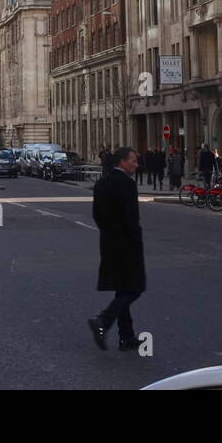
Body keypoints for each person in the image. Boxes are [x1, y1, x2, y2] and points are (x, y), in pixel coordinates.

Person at [87, 147, 145, 353]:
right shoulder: (127, 184)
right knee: (135, 287)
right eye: (133, 161)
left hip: (108, 241)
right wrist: (136, 240)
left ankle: (126, 336)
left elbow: (96, 214)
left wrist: (108, 232)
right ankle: (103, 319)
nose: (136, 165)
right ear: (122, 162)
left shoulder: (101, 183)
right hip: (127, 244)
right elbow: (131, 217)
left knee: (122, 287)